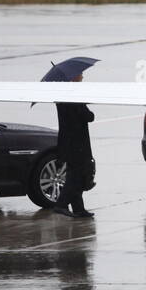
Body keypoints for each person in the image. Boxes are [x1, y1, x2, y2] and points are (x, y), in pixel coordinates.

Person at [53, 74, 95, 218]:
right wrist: (88, 109)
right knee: (75, 175)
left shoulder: (62, 95)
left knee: (76, 173)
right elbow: (87, 116)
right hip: (77, 142)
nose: (83, 76)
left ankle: (78, 208)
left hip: (68, 141)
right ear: (73, 78)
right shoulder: (72, 96)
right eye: (80, 75)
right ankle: (61, 204)